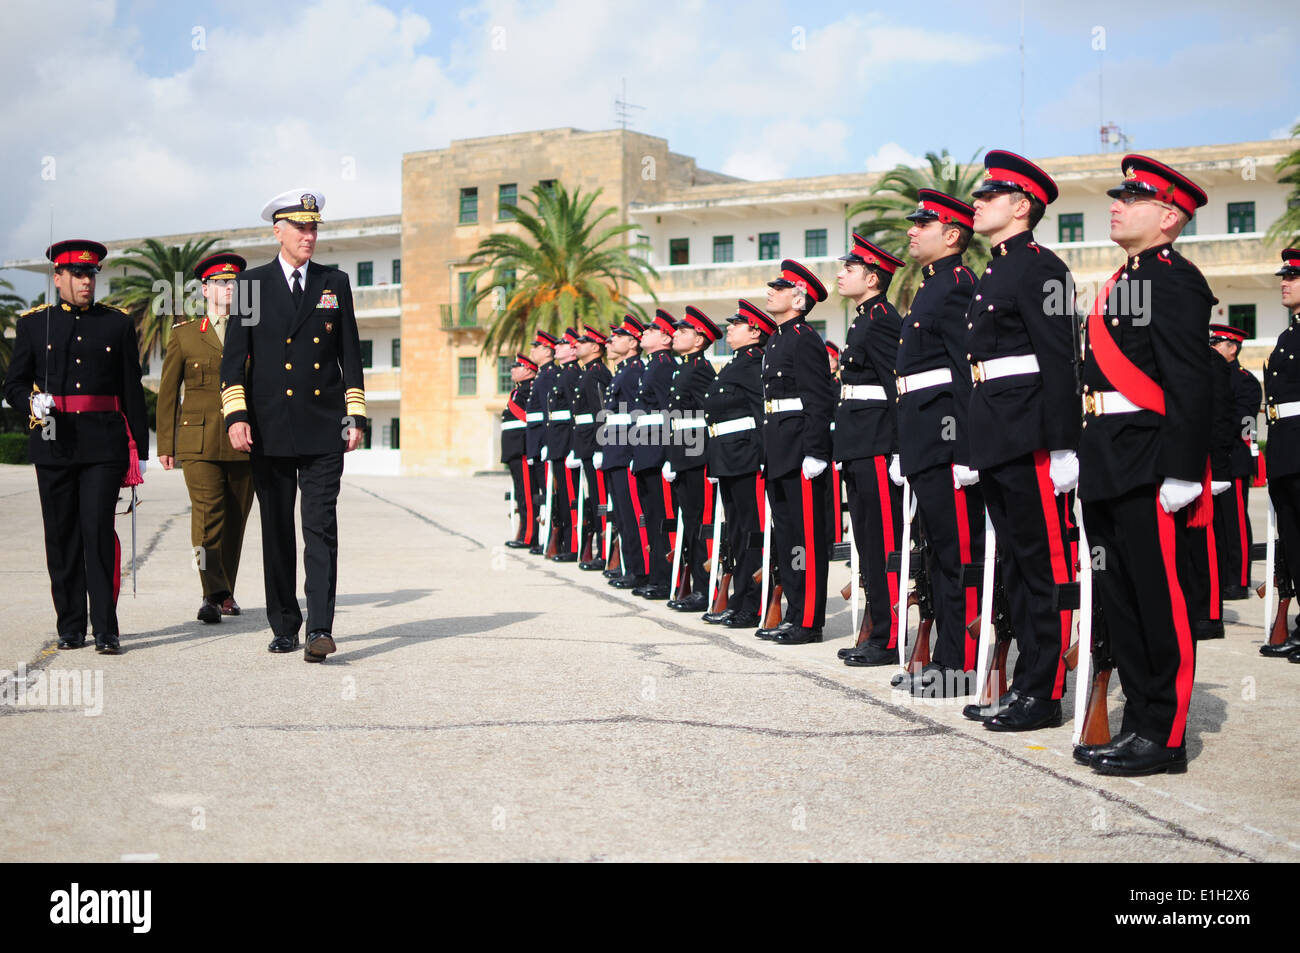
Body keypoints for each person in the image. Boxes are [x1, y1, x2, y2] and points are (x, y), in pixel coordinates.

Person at [1074, 155, 1213, 775]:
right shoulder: (1121, 282)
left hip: (1149, 461)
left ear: (1167, 216)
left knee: (1159, 601)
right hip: (1106, 455)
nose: (1116, 205)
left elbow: (1190, 381)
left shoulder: (1175, 281)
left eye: (1131, 199)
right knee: (1121, 599)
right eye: (1118, 197)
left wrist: (1183, 470)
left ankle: (1165, 734)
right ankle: (1136, 724)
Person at [220, 189, 366, 662]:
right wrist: (237, 416)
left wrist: (355, 414)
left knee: (320, 527)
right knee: (277, 527)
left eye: (314, 227)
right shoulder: (250, 285)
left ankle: (320, 628)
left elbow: (350, 354)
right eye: (300, 228)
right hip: (269, 427)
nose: (309, 235)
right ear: (278, 232)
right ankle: (285, 622)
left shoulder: (334, 281)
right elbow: (233, 360)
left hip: (324, 426)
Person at [961, 151, 1080, 726]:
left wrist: (1063, 445)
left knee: (1042, 565)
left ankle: (1045, 691)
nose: (977, 203)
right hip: (995, 432)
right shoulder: (996, 268)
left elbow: (1060, 359)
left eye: (990, 196)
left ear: (1022, 205)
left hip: (1030, 433)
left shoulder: (1041, 267)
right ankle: (1025, 681)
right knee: (1013, 564)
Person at [3, 239, 148, 655]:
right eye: (79, 275)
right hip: (53, 442)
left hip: (103, 445)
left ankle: (106, 628)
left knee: (98, 532)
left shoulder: (117, 324)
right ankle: (70, 625)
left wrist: (139, 447)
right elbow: (12, 384)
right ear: (58, 278)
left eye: (92, 275)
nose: (87, 282)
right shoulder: (34, 324)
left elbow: (130, 389)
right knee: (62, 535)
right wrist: (30, 401)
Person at [157, 252, 255, 624]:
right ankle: (211, 594)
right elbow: (168, 393)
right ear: (205, 289)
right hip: (197, 443)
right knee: (207, 516)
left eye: (233, 282)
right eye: (219, 283)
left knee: (236, 519)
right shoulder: (185, 334)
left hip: (244, 440)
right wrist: (165, 444)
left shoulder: (253, 331)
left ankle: (226, 589)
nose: (227, 288)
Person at [830, 234, 905, 667]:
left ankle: (889, 636)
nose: (841, 274)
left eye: (850, 269)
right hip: (858, 445)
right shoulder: (863, 320)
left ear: (872, 277)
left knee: (883, 542)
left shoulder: (882, 320)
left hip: (876, 446)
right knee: (867, 543)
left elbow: (896, 389)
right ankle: (877, 630)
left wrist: (896, 449)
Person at [756, 259, 836, 644]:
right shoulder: (776, 339)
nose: (771, 291)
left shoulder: (804, 338)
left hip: (801, 452)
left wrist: (816, 452)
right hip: (778, 450)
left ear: (798, 298)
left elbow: (818, 399)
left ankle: (809, 620)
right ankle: (793, 611)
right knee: (787, 537)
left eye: (780, 286)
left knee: (806, 539)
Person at [702, 300, 772, 629]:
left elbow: (762, 415)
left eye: (736, 324)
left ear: (755, 331)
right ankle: (739, 598)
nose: (728, 328)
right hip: (728, 458)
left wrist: (762, 457)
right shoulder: (735, 363)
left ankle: (754, 602)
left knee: (751, 534)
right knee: (737, 533)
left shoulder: (754, 363)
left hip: (747, 459)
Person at [664, 306, 721, 611]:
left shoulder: (700, 369)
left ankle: (705, 588)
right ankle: (694, 584)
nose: (675, 334)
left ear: (699, 340)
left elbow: (705, 416)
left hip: (696, 455)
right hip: (683, 454)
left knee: (700, 523)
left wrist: (703, 455)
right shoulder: (682, 368)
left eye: (683, 331)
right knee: (689, 521)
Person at [1260, 248, 1300, 662]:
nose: (1284, 282)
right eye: (1283, 277)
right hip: (1286, 445)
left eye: (1292, 277)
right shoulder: (1288, 334)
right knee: (1293, 539)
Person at [1207, 324, 1262, 600]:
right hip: (1214, 460)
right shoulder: (1208, 375)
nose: (1213, 347)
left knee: (1235, 522)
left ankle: (1238, 580)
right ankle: (1220, 577)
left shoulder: (1245, 381)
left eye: (1218, 343)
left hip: (1234, 458)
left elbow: (1244, 423)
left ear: (1233, 347)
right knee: (1215, 523)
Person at [631, 311, 680, 600]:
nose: (643, 335)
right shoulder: (653, 366)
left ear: (664, 337)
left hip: (658, 452)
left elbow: (669, 412)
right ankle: (656, 575)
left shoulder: (662, 366)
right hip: (646, 451)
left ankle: (665, 579)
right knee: (652, 518)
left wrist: (668, 455)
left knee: (662, 520)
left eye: (650, 331)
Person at [601, 317, 648, 589]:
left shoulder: (633, 372)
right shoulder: (622, 372)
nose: (610, 342)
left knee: (631, 514)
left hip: (625, 451)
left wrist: (633, 451)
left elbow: (636, 415)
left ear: (632, 343)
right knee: (621, 513)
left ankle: (639, 569)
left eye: (617, 338)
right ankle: (631, 566)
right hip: (614, 450)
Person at [573, 324, 613, 569]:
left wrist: (601, 446)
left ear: (595, 347)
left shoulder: (596, 372)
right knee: (595, 497)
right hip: (586, 442)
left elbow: (602, 411)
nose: (576, 344)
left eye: (583, 341)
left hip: (594, 443)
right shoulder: (587, 372)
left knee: (600, 499)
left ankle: (605, 549)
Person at [546, 328, 582, 562]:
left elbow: (574, 413)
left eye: (561, 344)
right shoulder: (563, 374)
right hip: (558, 442)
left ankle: (573, 543)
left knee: (571, 496)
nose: (555, 348)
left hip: (567, 442)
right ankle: (563, 541)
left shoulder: (572, 375)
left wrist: (573, 446)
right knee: (561, 496)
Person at [524, 330, 559, 555]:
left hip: (544, 442)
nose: (532, 351)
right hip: (536, 442)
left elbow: (549, 412)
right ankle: (546, 538)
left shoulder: (548, 376)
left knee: (549, 493)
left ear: (547, 350)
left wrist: (547, 442)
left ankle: (552, 538)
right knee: (542, 493)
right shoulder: (542, 375)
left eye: (536, 347)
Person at [501, 353, 538, 549]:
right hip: (513, 449)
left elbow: (528, 418)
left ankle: (529, 536)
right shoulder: (518, 392)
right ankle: (525, 532)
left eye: (518, 367)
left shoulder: (529, 391)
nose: (512, 370)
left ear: (529, 370)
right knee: (521, 495)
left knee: (527, 495)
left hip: (522, 448)